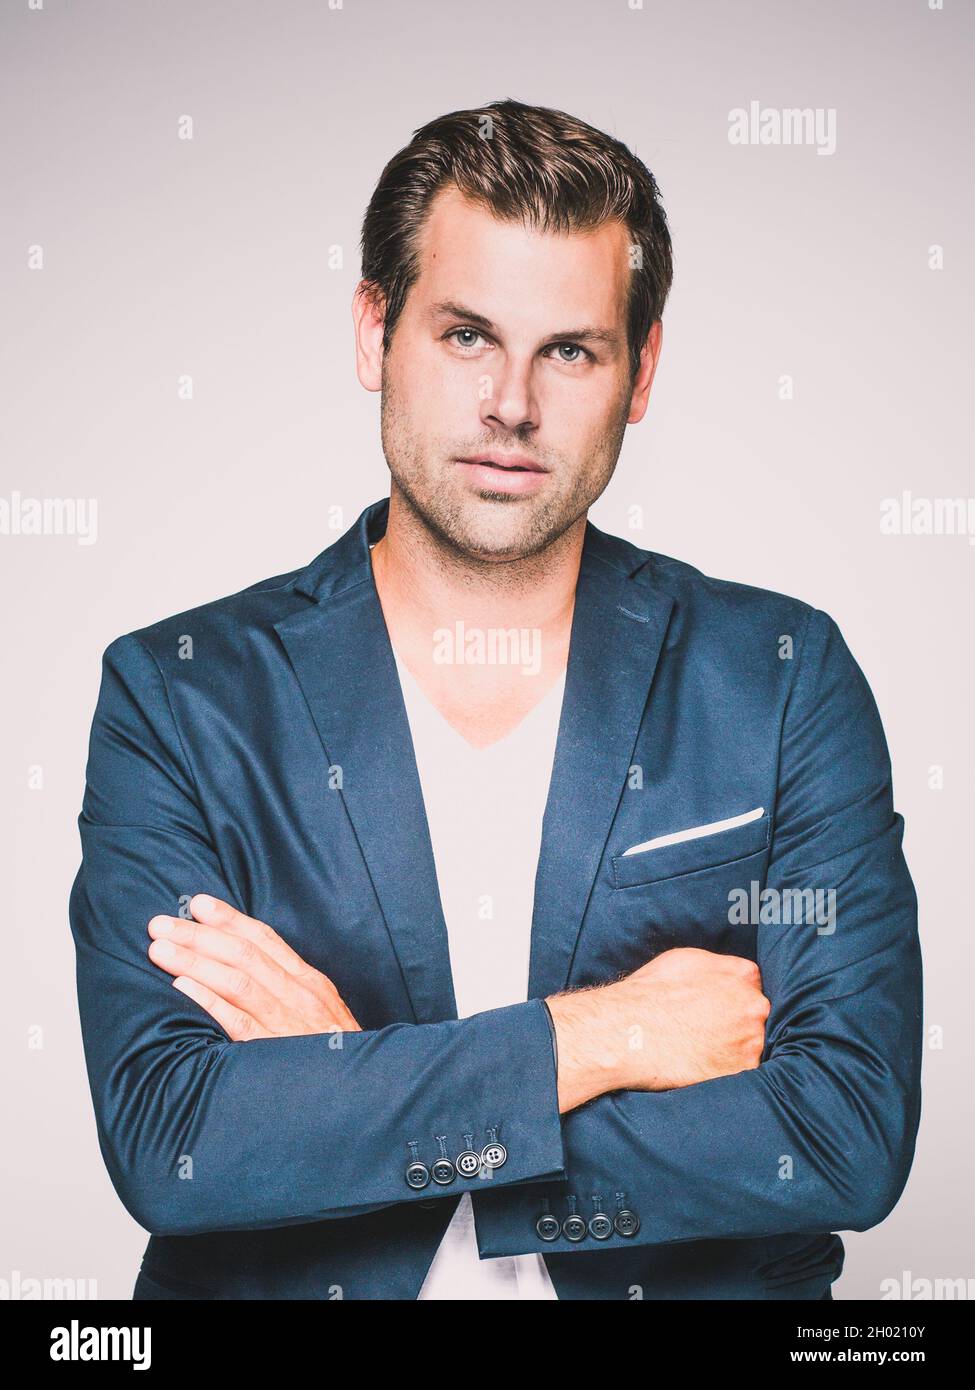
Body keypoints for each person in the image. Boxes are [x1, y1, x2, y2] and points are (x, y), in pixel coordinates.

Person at [69, 99, 922, 1301]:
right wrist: (605, 1036)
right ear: (375, 333)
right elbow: (177, 1143)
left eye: (570, 349)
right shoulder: (183, 697)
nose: (512, 404)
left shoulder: (781, 679)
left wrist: (349, 1088)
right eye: (468, 335)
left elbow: (841, 1130)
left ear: (641, 370)